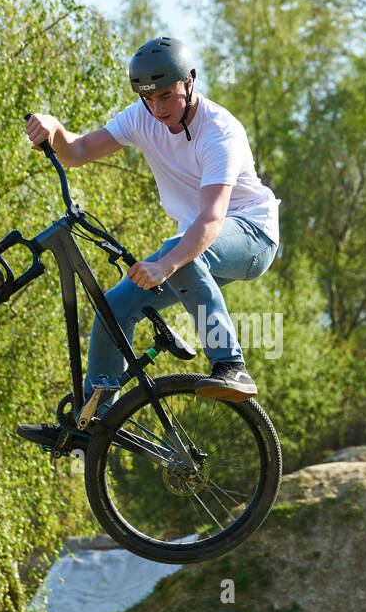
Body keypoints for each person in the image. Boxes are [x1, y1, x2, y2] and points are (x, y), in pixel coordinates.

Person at [16, 35, 281, 453]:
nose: (158, 109)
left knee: (184, 255)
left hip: (251, 234)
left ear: (190, 82)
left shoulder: (220, 132)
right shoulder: (141, 118)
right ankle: (95, 427)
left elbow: (211, 221)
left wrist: (165, 265)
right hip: (196, 241)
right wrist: (56, 129)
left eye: (166, 96)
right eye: (148, 99)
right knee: (112, 312)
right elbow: (79, 151)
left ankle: (231, 365)